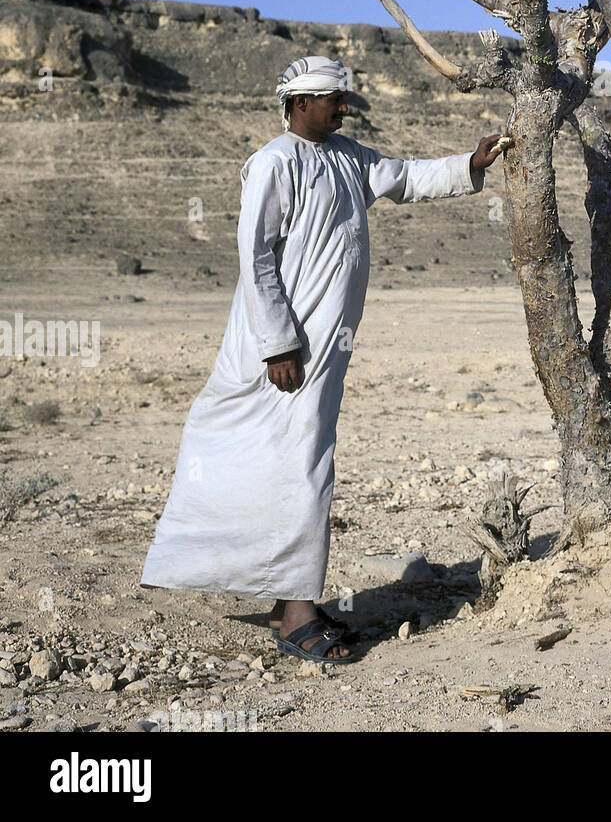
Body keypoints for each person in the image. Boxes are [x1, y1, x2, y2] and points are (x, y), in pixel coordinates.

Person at [141, 55, 507, 662]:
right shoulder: (273, 163)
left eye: (344, 100)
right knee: (298, 459)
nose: (344, 108)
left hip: (324, 344)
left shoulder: (347, 156)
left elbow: (406, 178)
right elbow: (255, 257)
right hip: (283, 349)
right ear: (300, 103)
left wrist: (471, 163)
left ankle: (290, 598)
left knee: (301, 457)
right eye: (335, 100)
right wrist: (277, 342)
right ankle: (295, 614)